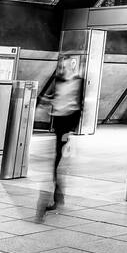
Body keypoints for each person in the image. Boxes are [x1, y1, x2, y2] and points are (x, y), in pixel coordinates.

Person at [37, 57, 84, 221]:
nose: (62, 69)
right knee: (57, 161)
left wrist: (72, 130)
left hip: (66, 127)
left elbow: (79, 105)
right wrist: (47, 102)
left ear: (72, 67)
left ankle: (57, 196)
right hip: (58, 124)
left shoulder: (79, 82)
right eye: (61, 67)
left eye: (65, 66)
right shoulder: (58, 81)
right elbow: (56, 98)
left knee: (59, 161)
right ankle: (58, 194)